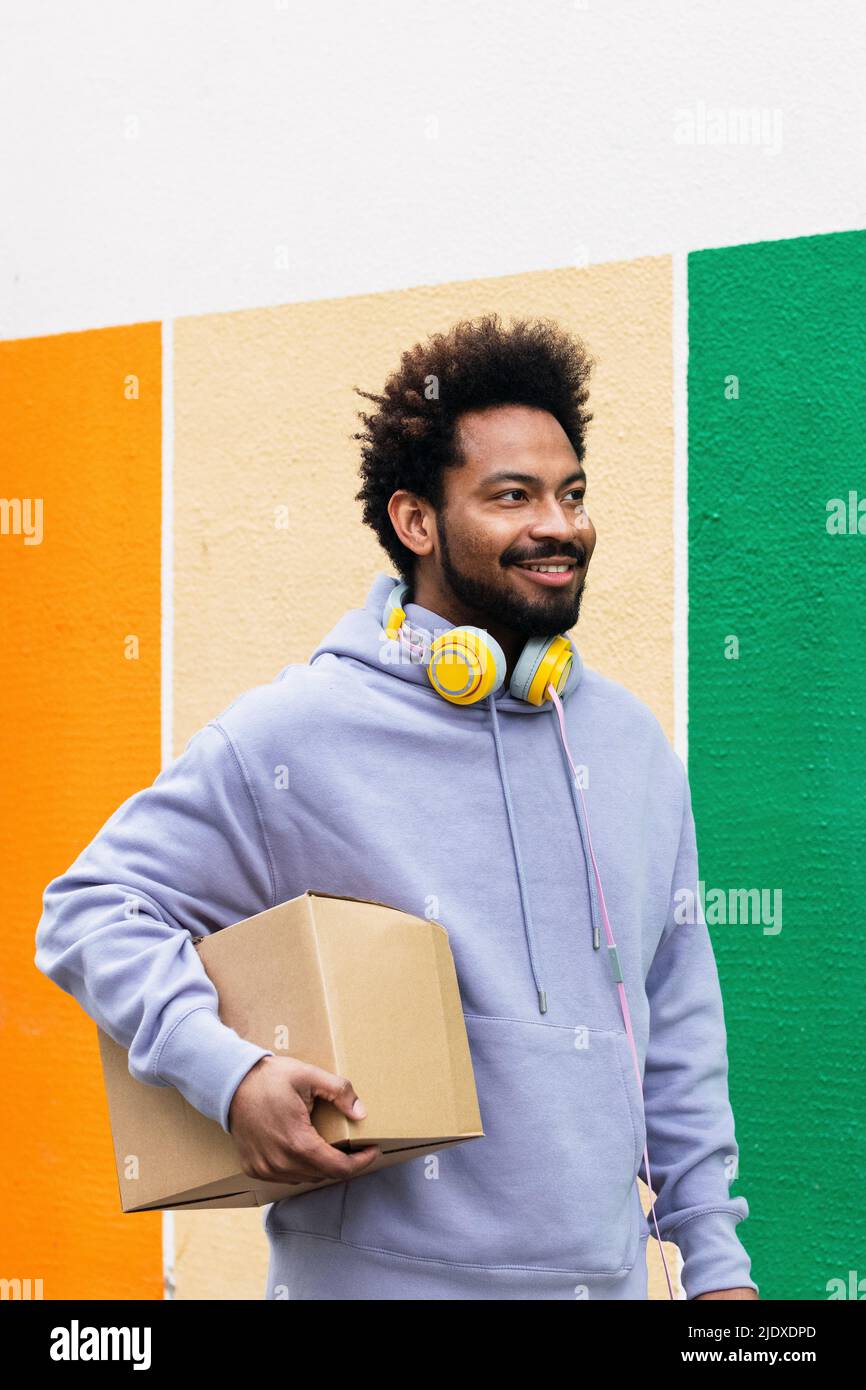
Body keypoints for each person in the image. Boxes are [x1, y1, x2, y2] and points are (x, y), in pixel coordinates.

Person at [35, 312, 758, 1301]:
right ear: (417, 522)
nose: (558, 524)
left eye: (570, 493)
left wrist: (715, 1274)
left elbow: (674, 1019)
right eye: (512, 496)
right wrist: (230, 1075)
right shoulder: (294, 734)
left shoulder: (629, 746)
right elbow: (90, 907)